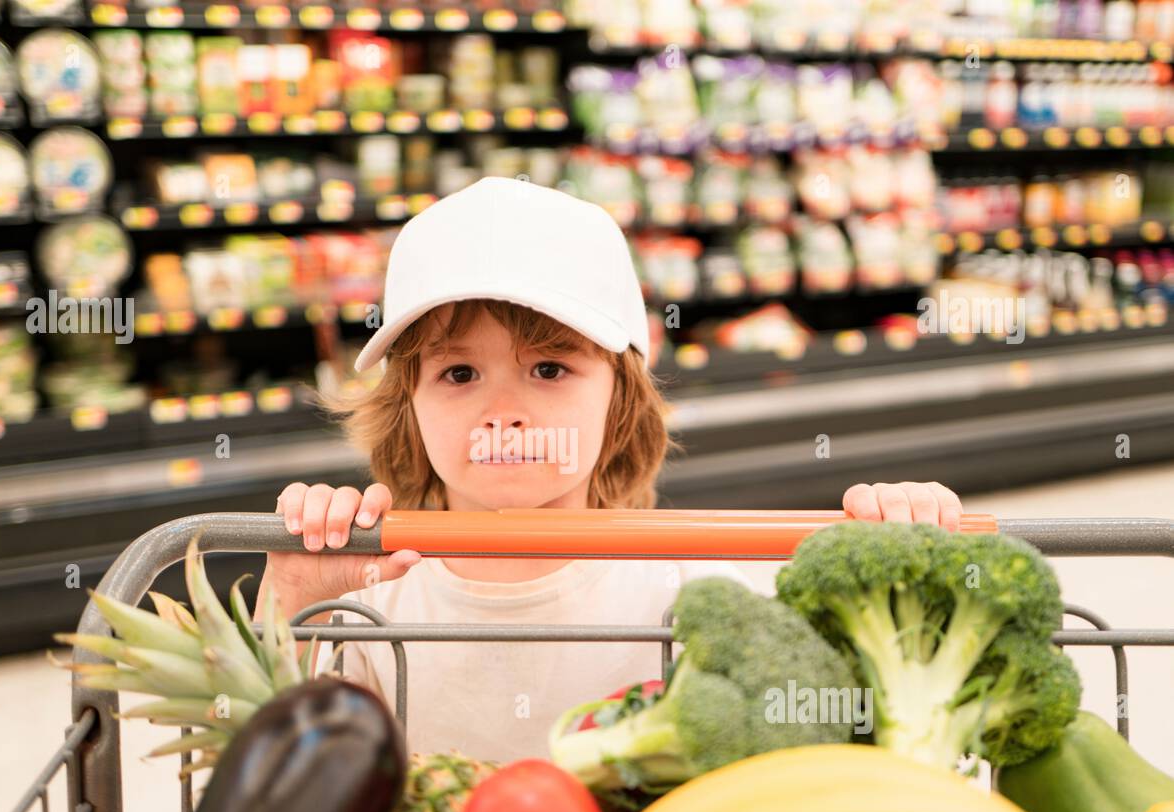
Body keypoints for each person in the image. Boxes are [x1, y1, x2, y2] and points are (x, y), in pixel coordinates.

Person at [253, 177, 963, 762]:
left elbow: (824, 761)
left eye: (550, 367)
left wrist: (904, 584)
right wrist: (289, 604)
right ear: (409, 402)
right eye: (459, 371)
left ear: (620, 397)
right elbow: (254, 800)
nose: (503, 411)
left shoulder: (692, 590)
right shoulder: (364, 607)